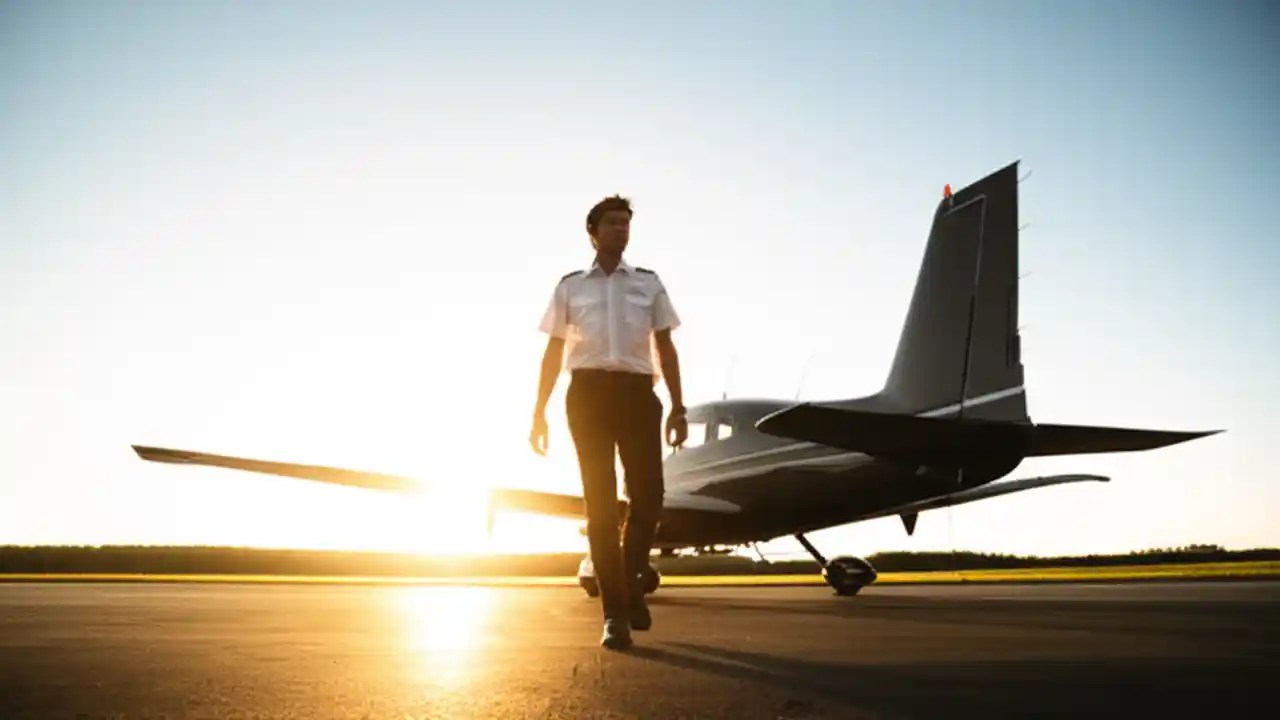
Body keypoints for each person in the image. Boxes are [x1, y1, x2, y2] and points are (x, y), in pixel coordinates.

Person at [528, 194, 688, 650]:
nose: (622, 229)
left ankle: (631, 583)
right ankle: (615, 615)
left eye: (626, 222)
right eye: (613, 223)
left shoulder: (650, 283)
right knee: (599, 506)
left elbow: (666, 348)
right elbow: (553, 352)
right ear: (593, 233)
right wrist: (538, 411)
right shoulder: (571, 286)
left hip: (640, 395)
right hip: (588, 396)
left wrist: (678, 406)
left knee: (649, 497)